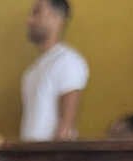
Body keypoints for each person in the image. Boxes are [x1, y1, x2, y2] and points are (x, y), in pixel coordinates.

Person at [20, 0, 89, 141]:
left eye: (36, 12)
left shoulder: (68, 61)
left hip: (50, 159)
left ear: (57, 19)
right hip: (30, 156)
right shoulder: (32, 71)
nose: (29, 21)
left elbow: (65, 128)